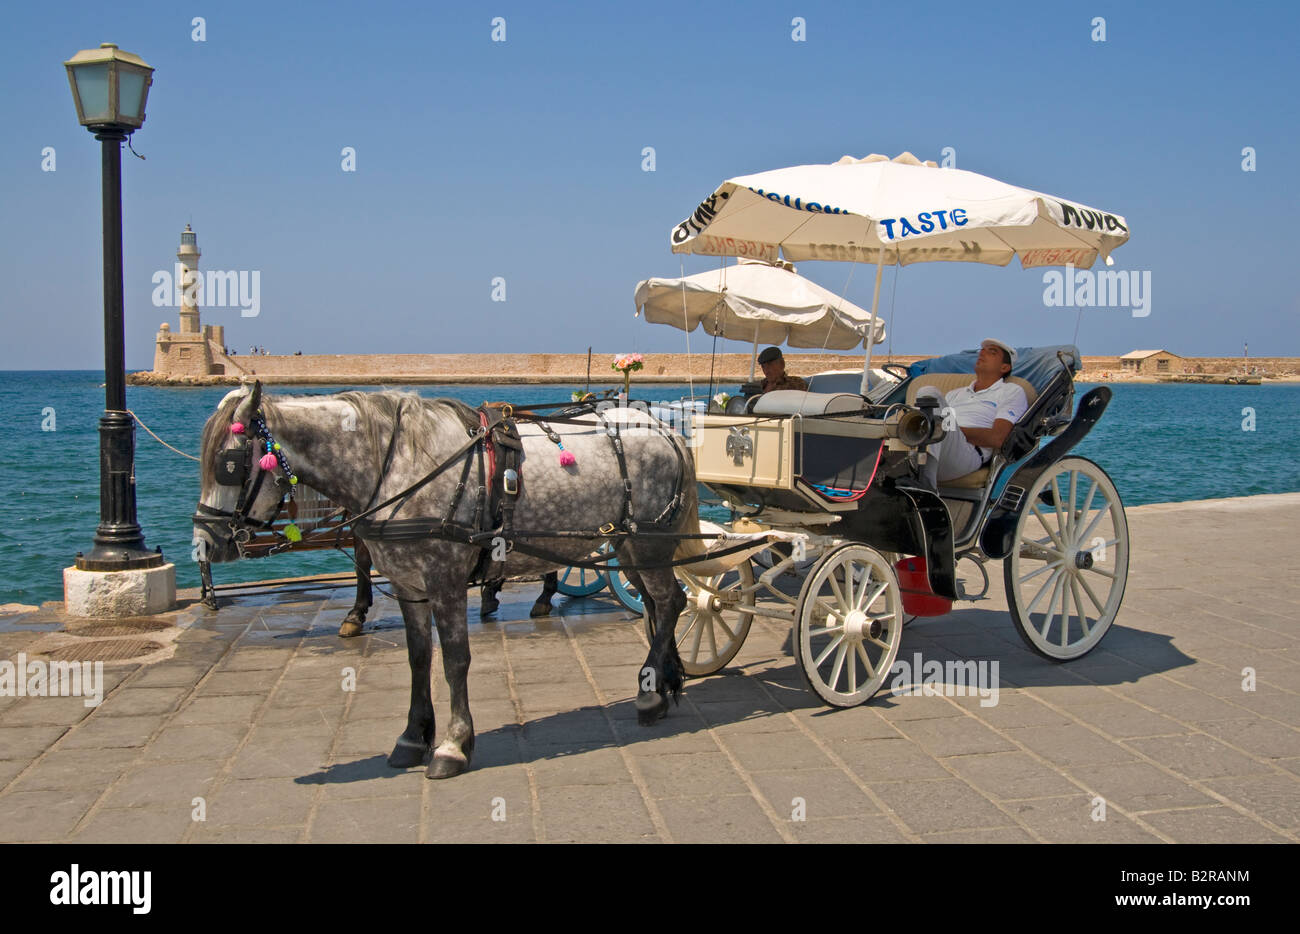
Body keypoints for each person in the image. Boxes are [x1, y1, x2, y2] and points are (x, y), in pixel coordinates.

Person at [915, 338, 1027, 488]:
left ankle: (925, 486)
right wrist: (940, 429)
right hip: (938, 443)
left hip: (968, 454)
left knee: (928, 394)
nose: (983, 353)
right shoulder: (954, 394)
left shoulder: (1011, 391)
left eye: (992, 352)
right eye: (982, 350)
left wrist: (945, 430)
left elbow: (998, 438)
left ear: (1005, 367)